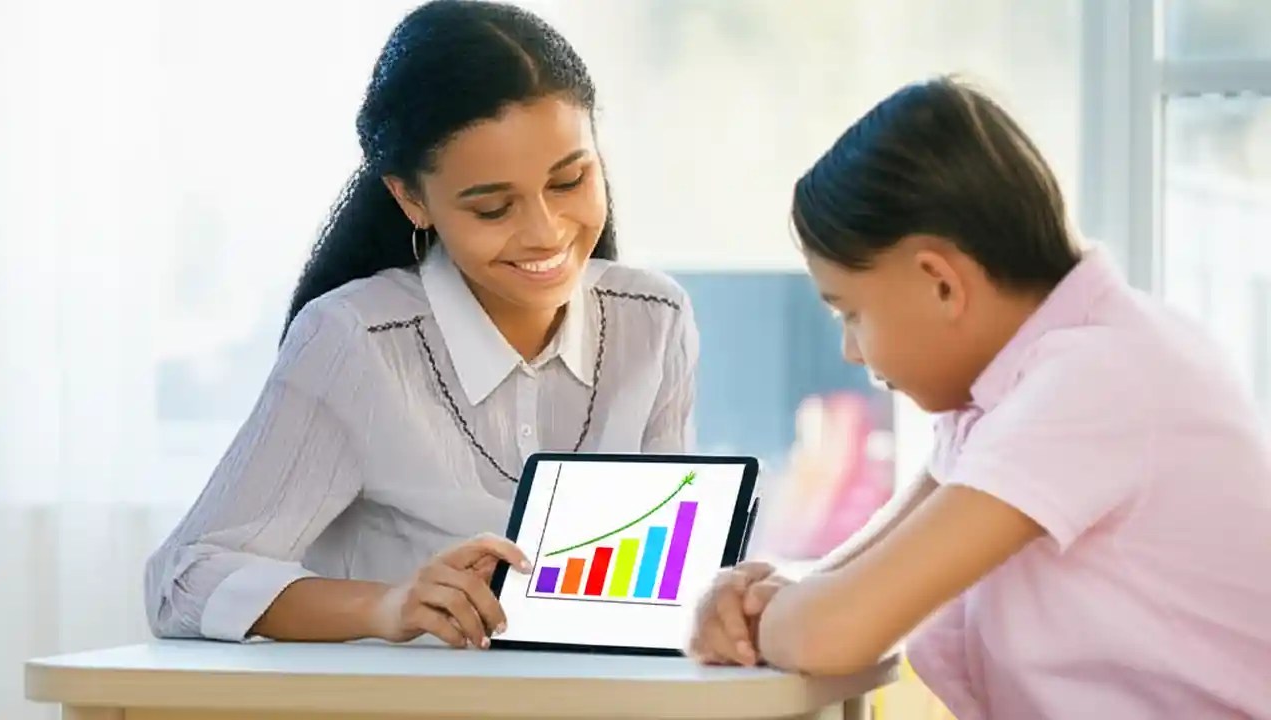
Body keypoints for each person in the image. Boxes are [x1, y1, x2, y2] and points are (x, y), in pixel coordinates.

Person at [688, 77, 1271, 719]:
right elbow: (845, 580)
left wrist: (755, 622)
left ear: (941, 282)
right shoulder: (1007, 390)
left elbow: (833, 631)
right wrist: (752, 597)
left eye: (851, 313)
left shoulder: (1094, 379)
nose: (851, 351)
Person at [145, 0, 698, 652]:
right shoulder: (353, 341)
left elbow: (664, 579)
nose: (545, 232)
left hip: (598, 695)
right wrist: (388, 606)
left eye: (570, 180)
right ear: (411, 198)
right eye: (493, 208)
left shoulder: (654, 319)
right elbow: (182, 580)